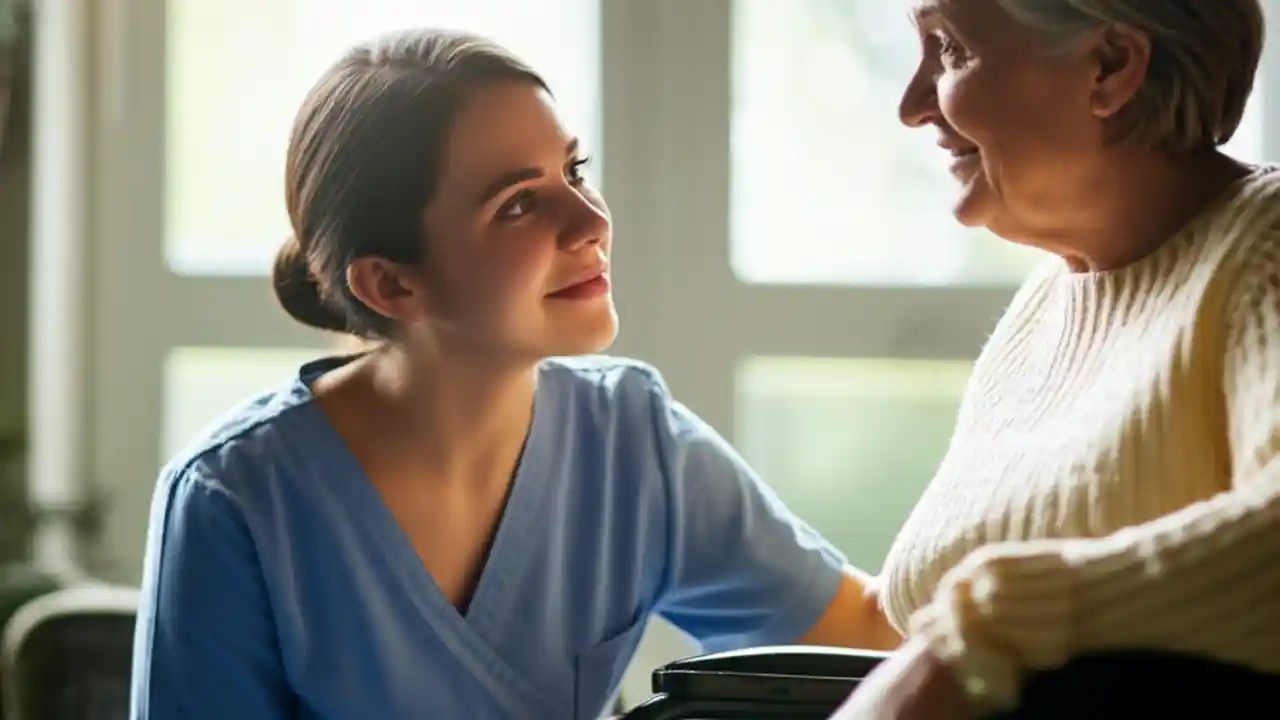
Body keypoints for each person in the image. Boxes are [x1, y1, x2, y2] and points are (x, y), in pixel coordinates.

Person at [128, 28, 899, 720]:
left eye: (575, 171)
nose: (592, 222)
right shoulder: (233, 499)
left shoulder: (634, 442)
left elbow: (869, 636)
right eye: (520, 204)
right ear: (390, 284)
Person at [833, 1, 1280, 718]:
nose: (912, 105)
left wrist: (985, 630)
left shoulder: (1265, 246)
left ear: (1110, 67)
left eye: (951, 50)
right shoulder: (1046, 304)